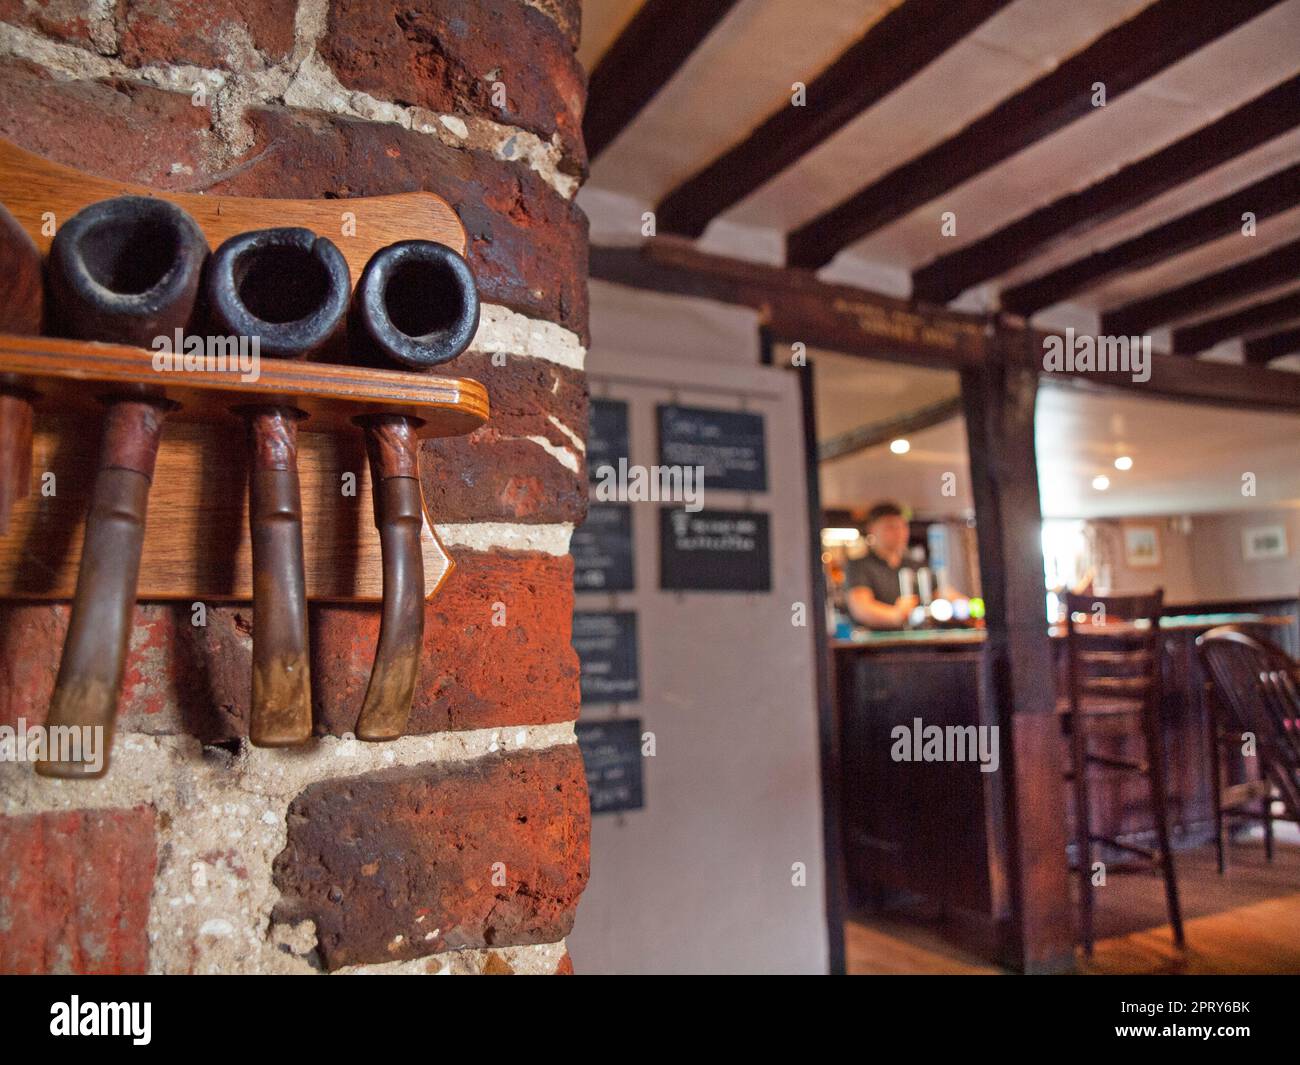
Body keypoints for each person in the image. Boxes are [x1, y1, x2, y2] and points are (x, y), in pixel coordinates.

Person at [845, 501, 919, 630]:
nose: (899, 532)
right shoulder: (859, 566)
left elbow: (944, 594)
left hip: (920, 644)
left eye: (902, 526)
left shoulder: (915, 565)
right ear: (872, 529)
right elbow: (861, 609)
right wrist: (898, 615)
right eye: (891, 527)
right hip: (876, 646)